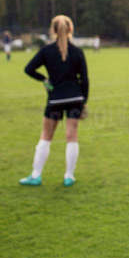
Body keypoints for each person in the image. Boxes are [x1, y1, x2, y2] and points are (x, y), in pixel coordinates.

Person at [20, 15, 89, 187]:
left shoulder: (46, 51)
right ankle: (69, 176)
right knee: (71, 136)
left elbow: (28, 69)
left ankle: (36, 175)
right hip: (75, 99)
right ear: (71, 30)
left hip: (55, 99)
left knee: (46, 137)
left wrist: (44, 79)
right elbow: (85, 79)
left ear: (53, 31)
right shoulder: (78, 52)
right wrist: (84, 102)